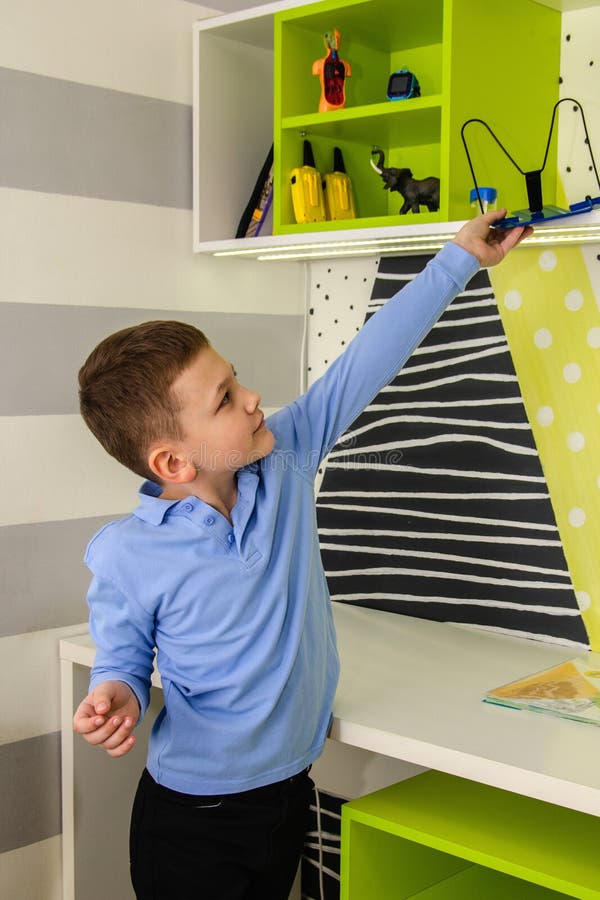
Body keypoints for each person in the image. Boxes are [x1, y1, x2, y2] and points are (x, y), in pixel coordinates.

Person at [73, 210, 530, 900]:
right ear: (172, 459)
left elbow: (365, 362)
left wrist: (458, 259)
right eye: (226, 399)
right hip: (195, 822)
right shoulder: (128, 555)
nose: (254, 399)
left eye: (237, 379)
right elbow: (123, 657)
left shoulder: (283, 458)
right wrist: (117, 694)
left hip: (288, 797)